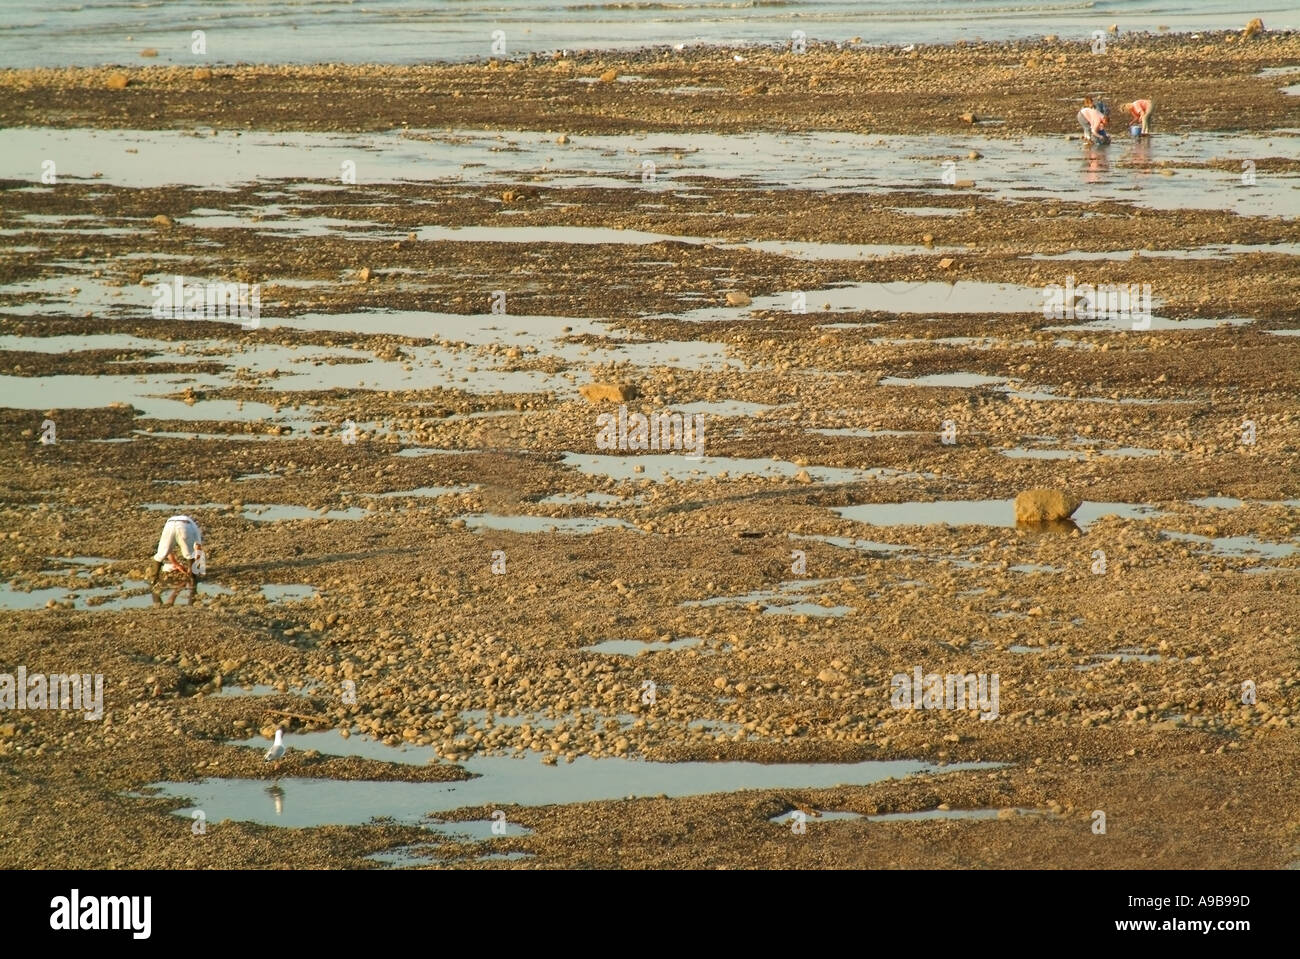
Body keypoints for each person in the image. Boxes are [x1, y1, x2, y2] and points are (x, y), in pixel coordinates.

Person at [149, 514, 205, 588]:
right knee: (189, 554)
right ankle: (192, 580)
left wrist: (176, 564)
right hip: (185, 526)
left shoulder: (191, 524)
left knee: (161, 554)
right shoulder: (195, 529)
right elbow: (198, 548)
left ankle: (153, 580)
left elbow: (168, 550)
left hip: (169, 524)